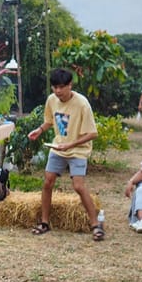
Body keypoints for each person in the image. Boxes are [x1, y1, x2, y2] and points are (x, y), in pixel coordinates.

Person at [28, 68, 104, 241]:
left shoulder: (82, 104)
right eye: (54, 87)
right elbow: (49, 121)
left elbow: (93, 134)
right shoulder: (51, 100)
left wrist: (71, 144)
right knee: (47, 182)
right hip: (58, 147)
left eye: (61, 87)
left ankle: (95, 225)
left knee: (78, 186)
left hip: (78, 149)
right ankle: (45, 222)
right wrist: (39, 130)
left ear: (70, 85)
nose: (58, 91)